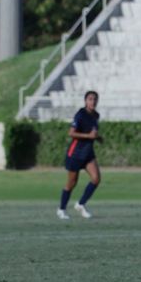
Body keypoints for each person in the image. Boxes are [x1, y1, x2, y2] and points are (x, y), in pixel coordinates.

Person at [58, 90, 103, 220]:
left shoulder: (96, 115)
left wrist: (98, 138)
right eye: (90, 99)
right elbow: (71, 133)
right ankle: (61, 209)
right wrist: (88, 136)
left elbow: (92, 132)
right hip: (75, 153)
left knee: (96, 178)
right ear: (85, 101)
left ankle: (80, 204)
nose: (92, 101)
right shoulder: (80, 114)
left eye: (95, 99)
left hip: (88, 153)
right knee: (72, 183)